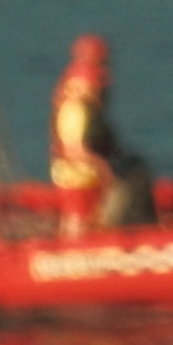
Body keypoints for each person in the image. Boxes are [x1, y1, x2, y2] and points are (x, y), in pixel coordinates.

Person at [45, 34, 150, 226]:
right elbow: (75, 150)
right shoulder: (77, 110)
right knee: (127, 178)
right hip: (76, 171)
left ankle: (123, 220)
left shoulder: (85, 108)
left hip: (81, 166)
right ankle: (110, 224)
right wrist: (103, 168)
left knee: (133, 166)